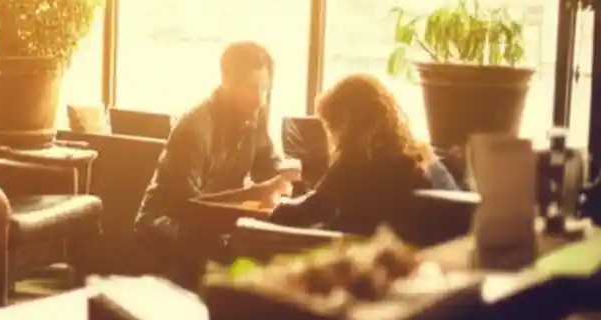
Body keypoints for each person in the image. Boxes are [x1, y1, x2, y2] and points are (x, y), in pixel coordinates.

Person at [134, 41, 297, 287]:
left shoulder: (255, 115)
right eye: (251, 87)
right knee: (230, 256)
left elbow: (268, 167)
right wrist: (256, 192)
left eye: (265, 88)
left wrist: (290, 175)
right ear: (227, 82)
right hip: (166, 220)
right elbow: (190, 206)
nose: (260, 99)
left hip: (215, 220)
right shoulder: (195, 127)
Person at [269, 73, 457, 235]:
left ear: (346, 123)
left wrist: (278, 205)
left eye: (331, 126)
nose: (331, 137)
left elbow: (306, 212)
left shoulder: (355, 164)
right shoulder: (421, 157)